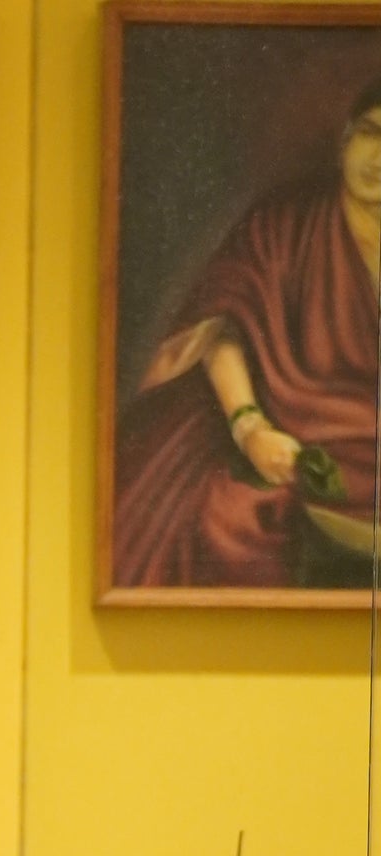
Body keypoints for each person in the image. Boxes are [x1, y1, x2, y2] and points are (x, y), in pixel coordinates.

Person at [111, 77, 381, 589]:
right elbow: (220, 327)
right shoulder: (281, 229)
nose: (379, 157)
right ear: (347, 140)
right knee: (222, 520)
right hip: (296, 451)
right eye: (370, 133)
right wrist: (250, 426)